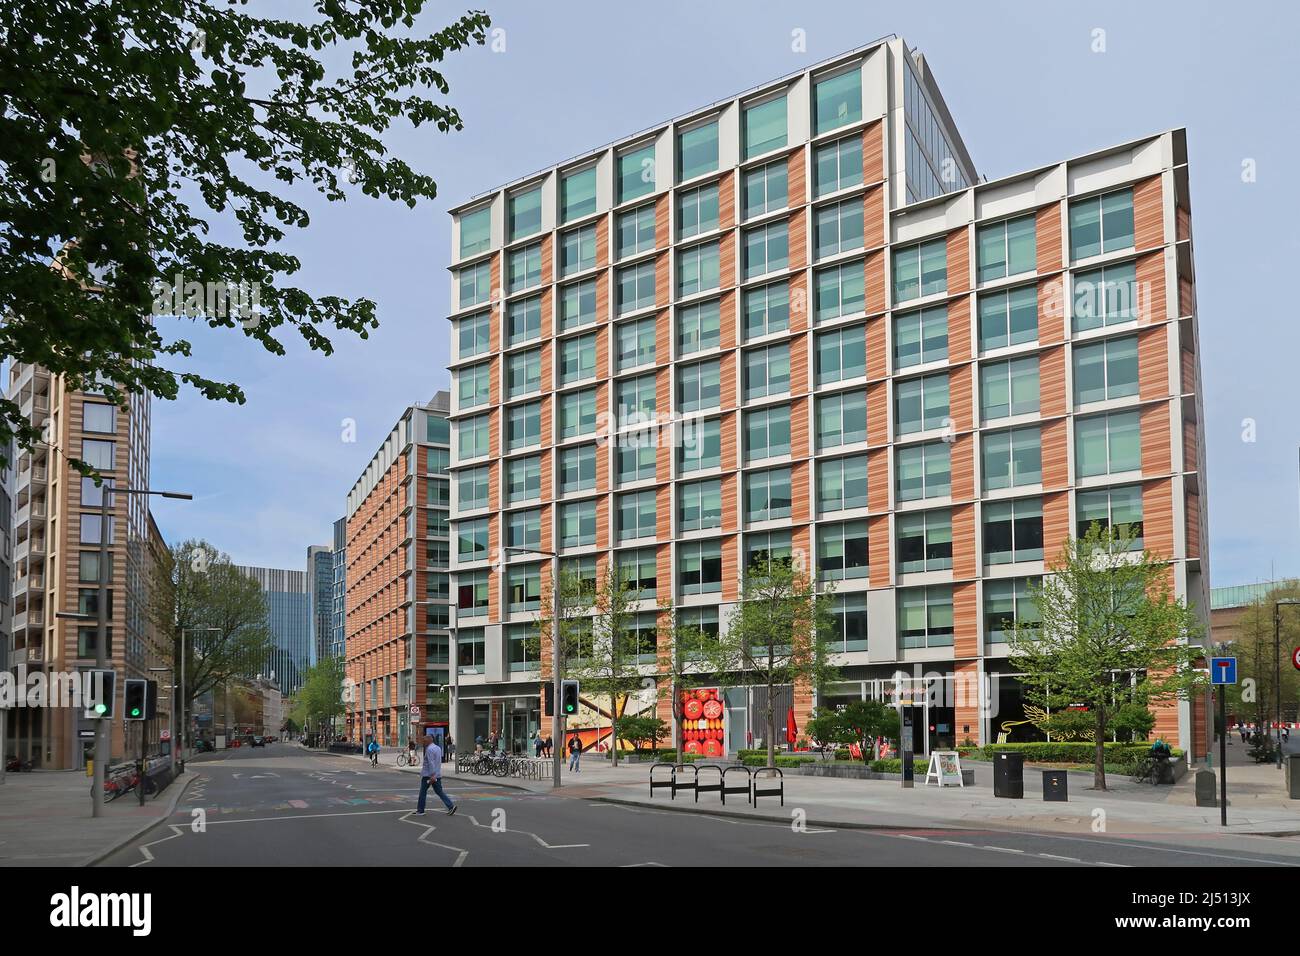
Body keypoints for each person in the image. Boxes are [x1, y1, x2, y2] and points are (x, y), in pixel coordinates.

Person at [417, 732, 456, 816]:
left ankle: (420, 810)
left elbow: (431, 763)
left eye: (424, 741)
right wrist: (436, 774)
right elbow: (437, 762)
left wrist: (432, 776)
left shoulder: (429, 749)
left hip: (429, 775)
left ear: (428, 740)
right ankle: (450, 806)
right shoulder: (438, 748)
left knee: (422, 792)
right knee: (439, 792)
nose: (423, 742)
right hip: (437, 774)